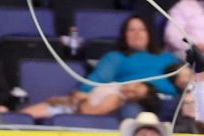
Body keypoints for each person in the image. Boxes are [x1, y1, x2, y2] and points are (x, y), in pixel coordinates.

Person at [22, 13, 178, 120]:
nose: (137, 34)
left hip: (167, 100)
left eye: (142, 29)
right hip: (131, 100)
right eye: (131, 30)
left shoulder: (168, 58)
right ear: (125, 35)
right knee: (129, 109)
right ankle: (16, 119)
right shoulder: (117, 57)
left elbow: (184, 78)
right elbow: (98, 78)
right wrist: (82, 93)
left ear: (149, 33)